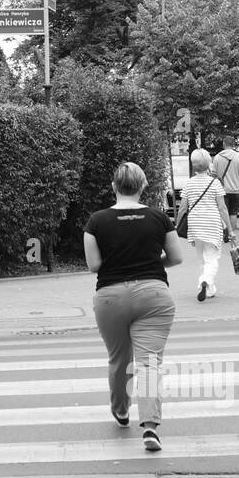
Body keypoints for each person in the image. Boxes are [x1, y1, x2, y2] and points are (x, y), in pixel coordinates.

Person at [83, 162, 183, 453]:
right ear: (142, 186)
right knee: (150, 363)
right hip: (154, 295)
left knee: (118, 359)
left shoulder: (96, 221)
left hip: (111, 297)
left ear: (114, 186)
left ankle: (122, 410)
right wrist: (152, 265)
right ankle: (150, 427)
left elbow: (94, 266)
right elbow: (176, 258)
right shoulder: (158, 217)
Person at [177, 148, 232, 302]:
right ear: (209, 164)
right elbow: (222, 208)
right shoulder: (215, 183)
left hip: (195, 224)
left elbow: (183, 208)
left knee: (202, 258)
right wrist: (230, 228)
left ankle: (209, 289)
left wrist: (176, 225)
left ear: (193, 165)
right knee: (212, 257)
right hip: (212, 224)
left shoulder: (188, 183)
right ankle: (205, 281)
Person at [212, 141, 239, 231]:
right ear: (233, 146)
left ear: (224, 145)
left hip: (221, 190)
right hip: (236, 190)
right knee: (233, 213)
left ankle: (224, 231)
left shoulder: (217, 157)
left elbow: (213, 174)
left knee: (222, 211)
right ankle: (231, 234)